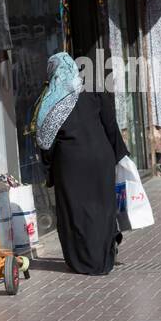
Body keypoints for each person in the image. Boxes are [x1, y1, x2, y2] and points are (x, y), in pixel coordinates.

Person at [34, 51, 128, 276]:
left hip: (70, 165)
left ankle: (81, 261)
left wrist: (49, 170)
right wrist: (119, 155)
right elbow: (110, 125)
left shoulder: (51, 100)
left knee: (76, 213)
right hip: (100, 159)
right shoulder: (93, 90)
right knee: (103, 208)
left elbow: (46, 142)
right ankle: (104, 258)